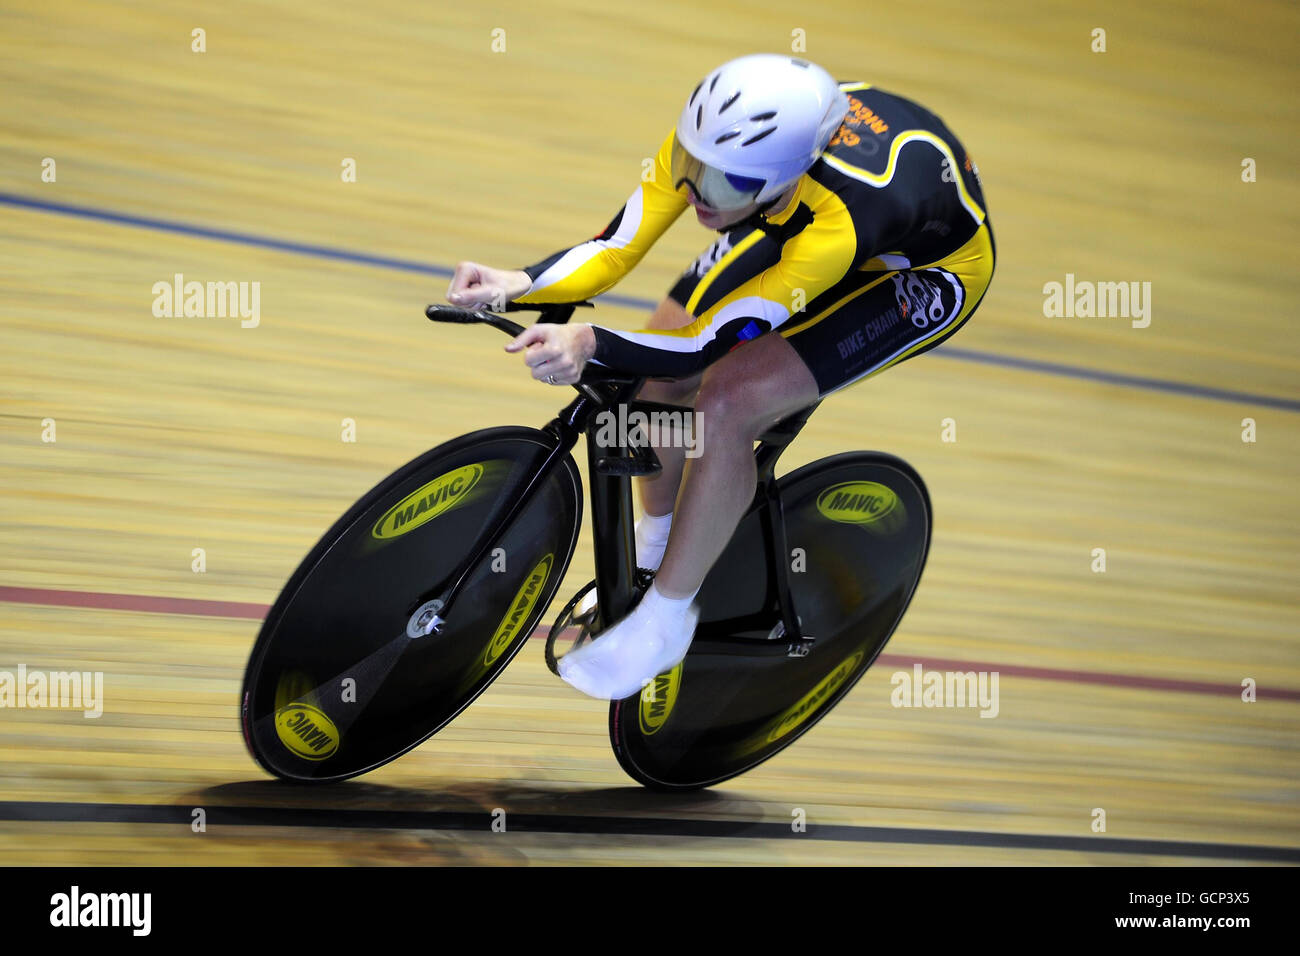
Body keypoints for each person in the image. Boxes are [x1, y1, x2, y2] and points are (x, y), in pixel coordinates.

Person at [446, 53, 995, 701]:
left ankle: (664, 621)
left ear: (781, 180)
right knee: (652, 382)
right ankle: (653, 557)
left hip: (920, 274)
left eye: (725, 186)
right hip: (802, 213)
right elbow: (616, 246)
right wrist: (522, 282)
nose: (700, 197)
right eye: (692, 168)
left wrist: (588, 339)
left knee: (728, 401)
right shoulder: (717, 148)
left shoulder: (834, 221)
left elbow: (703, 346)